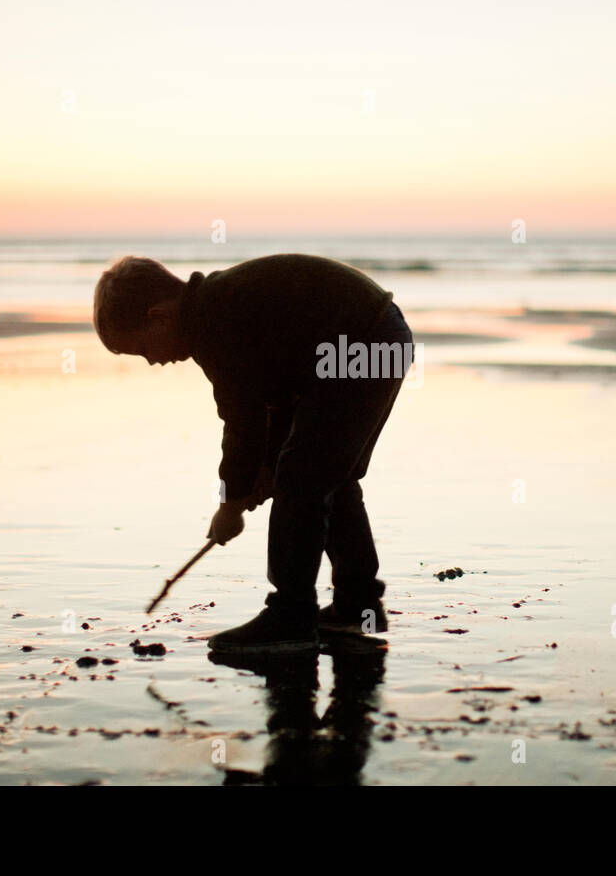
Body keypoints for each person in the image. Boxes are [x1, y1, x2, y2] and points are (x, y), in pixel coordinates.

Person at [93, 253, 412, 653]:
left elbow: (241, 421)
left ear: (158, 316)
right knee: (328, 475)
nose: (154, 361)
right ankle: (357, 604)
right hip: (377, 338)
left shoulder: (214, 320)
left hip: (365, 340)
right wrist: (264, 468)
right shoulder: (220, 306)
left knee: (303, 478)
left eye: (143, 349)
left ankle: (290, 615)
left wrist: (230, 503)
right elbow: (273, 402)